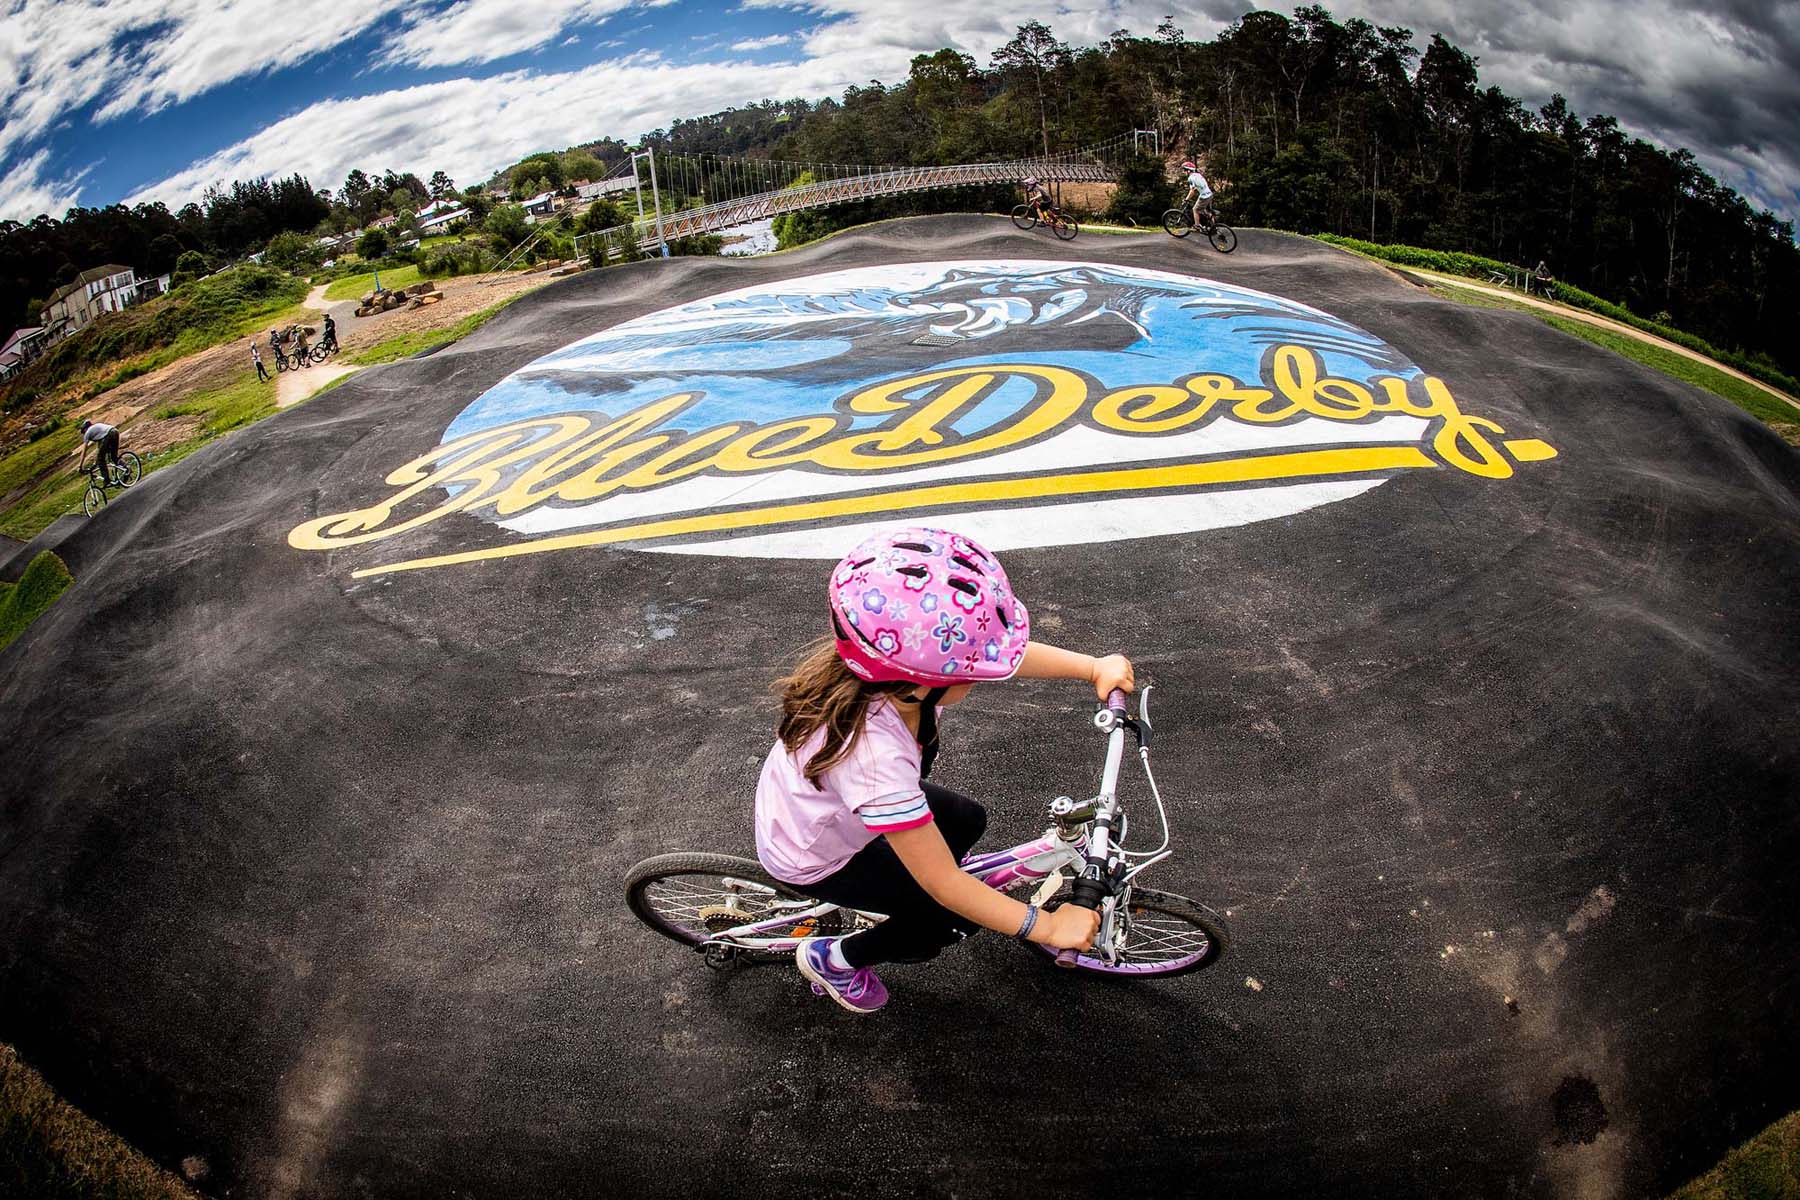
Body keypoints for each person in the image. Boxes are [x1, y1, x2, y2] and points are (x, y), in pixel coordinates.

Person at [755, 526, 1129, 1014]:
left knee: (967, 820)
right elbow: (944, 885)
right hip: (821, 855)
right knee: (948, 918)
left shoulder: (887, 675)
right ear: (923, 679)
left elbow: (1001, 656)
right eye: (968, 669)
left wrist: (1091, 666)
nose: (981, 673)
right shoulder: (874, 759)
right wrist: (1049, 926)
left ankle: (908, 888)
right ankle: (835, 960)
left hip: (828, 812)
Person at [77, 418, 121, 484]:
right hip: (115, 431)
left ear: (85, 429)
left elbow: (84, 452)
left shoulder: (87, 433)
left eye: (83, 432)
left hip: (108, 435)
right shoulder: (97, 427)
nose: (84, 434)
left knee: (101, 459)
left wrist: (80, 466)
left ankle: (106, 480)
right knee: (114, 457)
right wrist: (95, 463)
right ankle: (126, 469)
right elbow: (100, 447)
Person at [1181, 159, 1215, 227]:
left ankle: (1197, 226)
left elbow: (1192, 191)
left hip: (1204, 196)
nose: (1183, 172)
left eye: (1184, 170)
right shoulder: (1198, 175)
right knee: (1206, 211)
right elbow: (1200, 185)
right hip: (1209, 194)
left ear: (1188, 170)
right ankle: (1213, 226)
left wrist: (1186, 199)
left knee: (1195, 210)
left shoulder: (1191, 178)